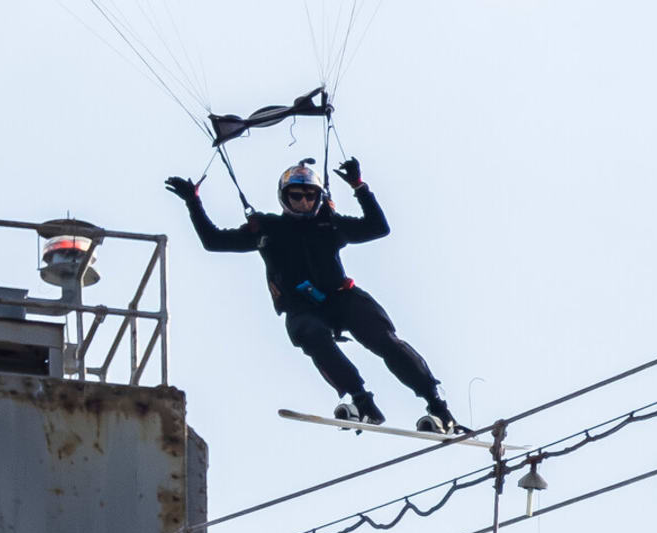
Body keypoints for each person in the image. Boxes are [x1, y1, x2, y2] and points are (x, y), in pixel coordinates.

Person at [166, 156, 464, 433]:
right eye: (297, 195)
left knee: (384, 340)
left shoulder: (329, 223)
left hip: (342, 298)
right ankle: (360, 400)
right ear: (285, 197)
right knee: (308, 333)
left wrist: (360, 188)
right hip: (302, 307)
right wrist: (193, 202)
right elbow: (214, 241)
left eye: (310, 195)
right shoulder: (266, 229)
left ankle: (438, 407)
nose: (304, 201)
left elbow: (378, 228)